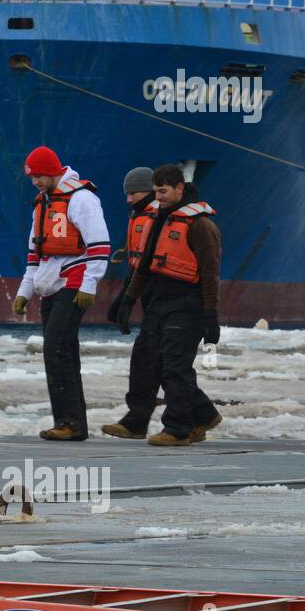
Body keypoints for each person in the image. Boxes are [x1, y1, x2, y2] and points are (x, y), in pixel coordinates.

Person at [114, 164, 222, 446]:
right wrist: (127, 300)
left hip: (188, 304)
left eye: (163, 191)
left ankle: (177, 429)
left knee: (175, 366)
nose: (158, 197)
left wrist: (211, 315)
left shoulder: (201, 225)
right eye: (156, 191)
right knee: (153, 361)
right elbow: (145, 266)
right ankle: (203, 414)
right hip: (159, 302)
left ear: (179, 189)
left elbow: (210, 275)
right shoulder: (161, 220)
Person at [13, 145, 111, 441]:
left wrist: (89, 285)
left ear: (53, 170)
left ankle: (71, 423)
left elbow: (99, 244)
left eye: (39, 176)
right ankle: (70, 423)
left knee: (55, 348)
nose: (36, 182)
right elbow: (34, 254)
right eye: (32, 178)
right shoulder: (42, 204)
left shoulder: (82, 199)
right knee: (62, 351)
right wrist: (23, 292)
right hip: (49, 286)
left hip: (74, 282)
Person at [102, 167, 163, 439]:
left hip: (170, 298)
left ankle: (198, 415)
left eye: (134, 193)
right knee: (150, 360)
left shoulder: (161, 218)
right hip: (150, 295)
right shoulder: (139, 215)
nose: (128, 200)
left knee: (161, 362)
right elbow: (138, 265)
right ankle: (138, 420)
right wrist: (124, 299)